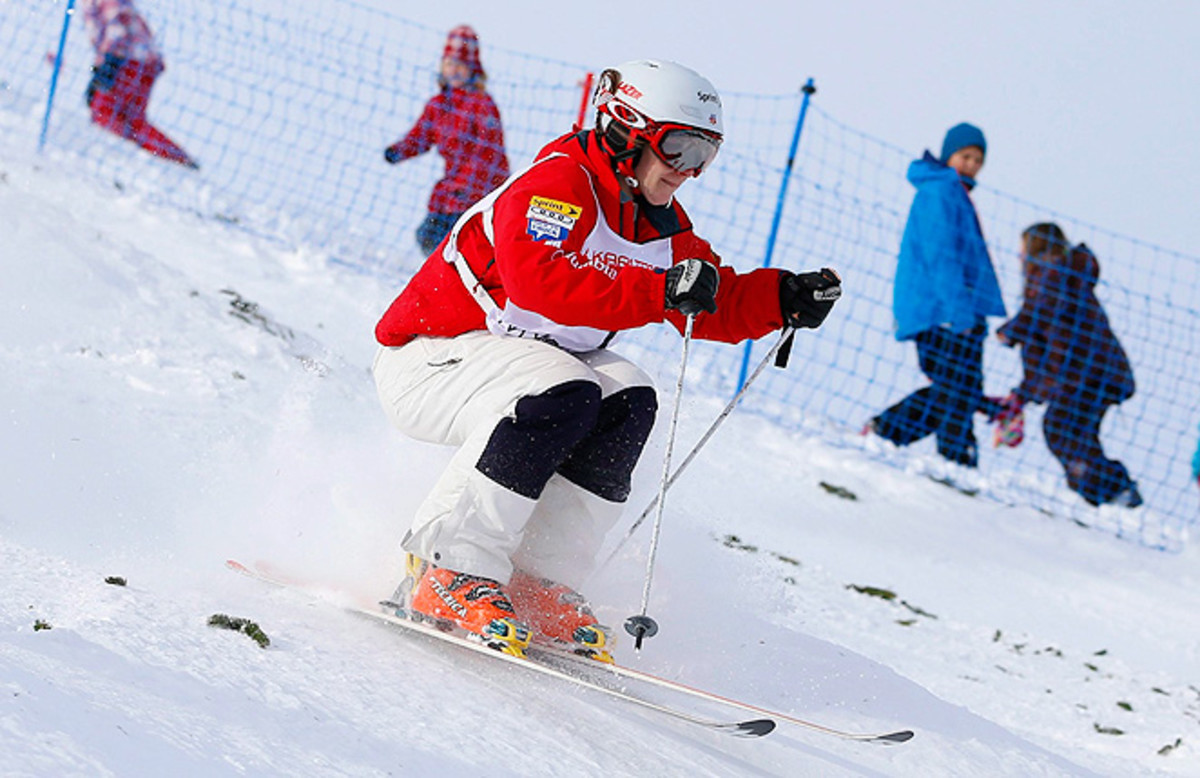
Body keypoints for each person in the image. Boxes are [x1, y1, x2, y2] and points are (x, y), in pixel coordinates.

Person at [372, 59, 842, 660]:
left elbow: (709, 298)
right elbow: (538, 283)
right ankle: (446, 566)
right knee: (564, 385)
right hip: (427, 360)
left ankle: (536, 578)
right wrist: (657, 289)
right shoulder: (558, 184)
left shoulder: (658, 224)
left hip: (513, 370)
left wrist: (780, 298)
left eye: (705, 154)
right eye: (679, 148)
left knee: (629, 398)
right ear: (626, 129)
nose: (688, 170)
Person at [866, 122, 1006, 468]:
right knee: (956, 390)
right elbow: (940, 256)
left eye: (978, 160)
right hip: (941, 311)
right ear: (949, 155)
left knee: (958, 389)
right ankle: (955, 460)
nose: (972, 164)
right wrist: (959, 314)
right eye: (965, 156)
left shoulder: (955, 193)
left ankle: (886, 431)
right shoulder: (940, 192)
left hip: (957, 309)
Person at [993, 223, 1141, 508]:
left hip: (1087, 375)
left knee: (1059, 427)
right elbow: (1044, 352)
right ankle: (1107, 495)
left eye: (1022, 249)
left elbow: (1043, 313)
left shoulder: (1051, 276)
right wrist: (1023, 394)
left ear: (1035, 249)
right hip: (1095, 374)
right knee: (1075, 434)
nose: (1019, 257)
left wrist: (1012, 330)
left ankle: (1109, 492)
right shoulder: (1062, 279)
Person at [384, 25, 510, 255]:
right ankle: (440, 272)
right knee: (427, 235)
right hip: (451, 189)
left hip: (481, 190)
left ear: (473, 70)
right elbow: (421, 136)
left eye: (461, 66)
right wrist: (399, 151)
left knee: (455, 242)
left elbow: (488, 153)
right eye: (450, 64)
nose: (454, 71)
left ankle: (456, 272)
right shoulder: (439, 104)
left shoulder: (482, 105)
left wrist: (468, 185)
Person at [80, 0, 197, 168]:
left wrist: (108, 62)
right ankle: (177, 160)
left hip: (127, 58)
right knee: (133, 119)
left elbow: (118, 25)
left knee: (103, 112)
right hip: (143, 58)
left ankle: (125, 159)